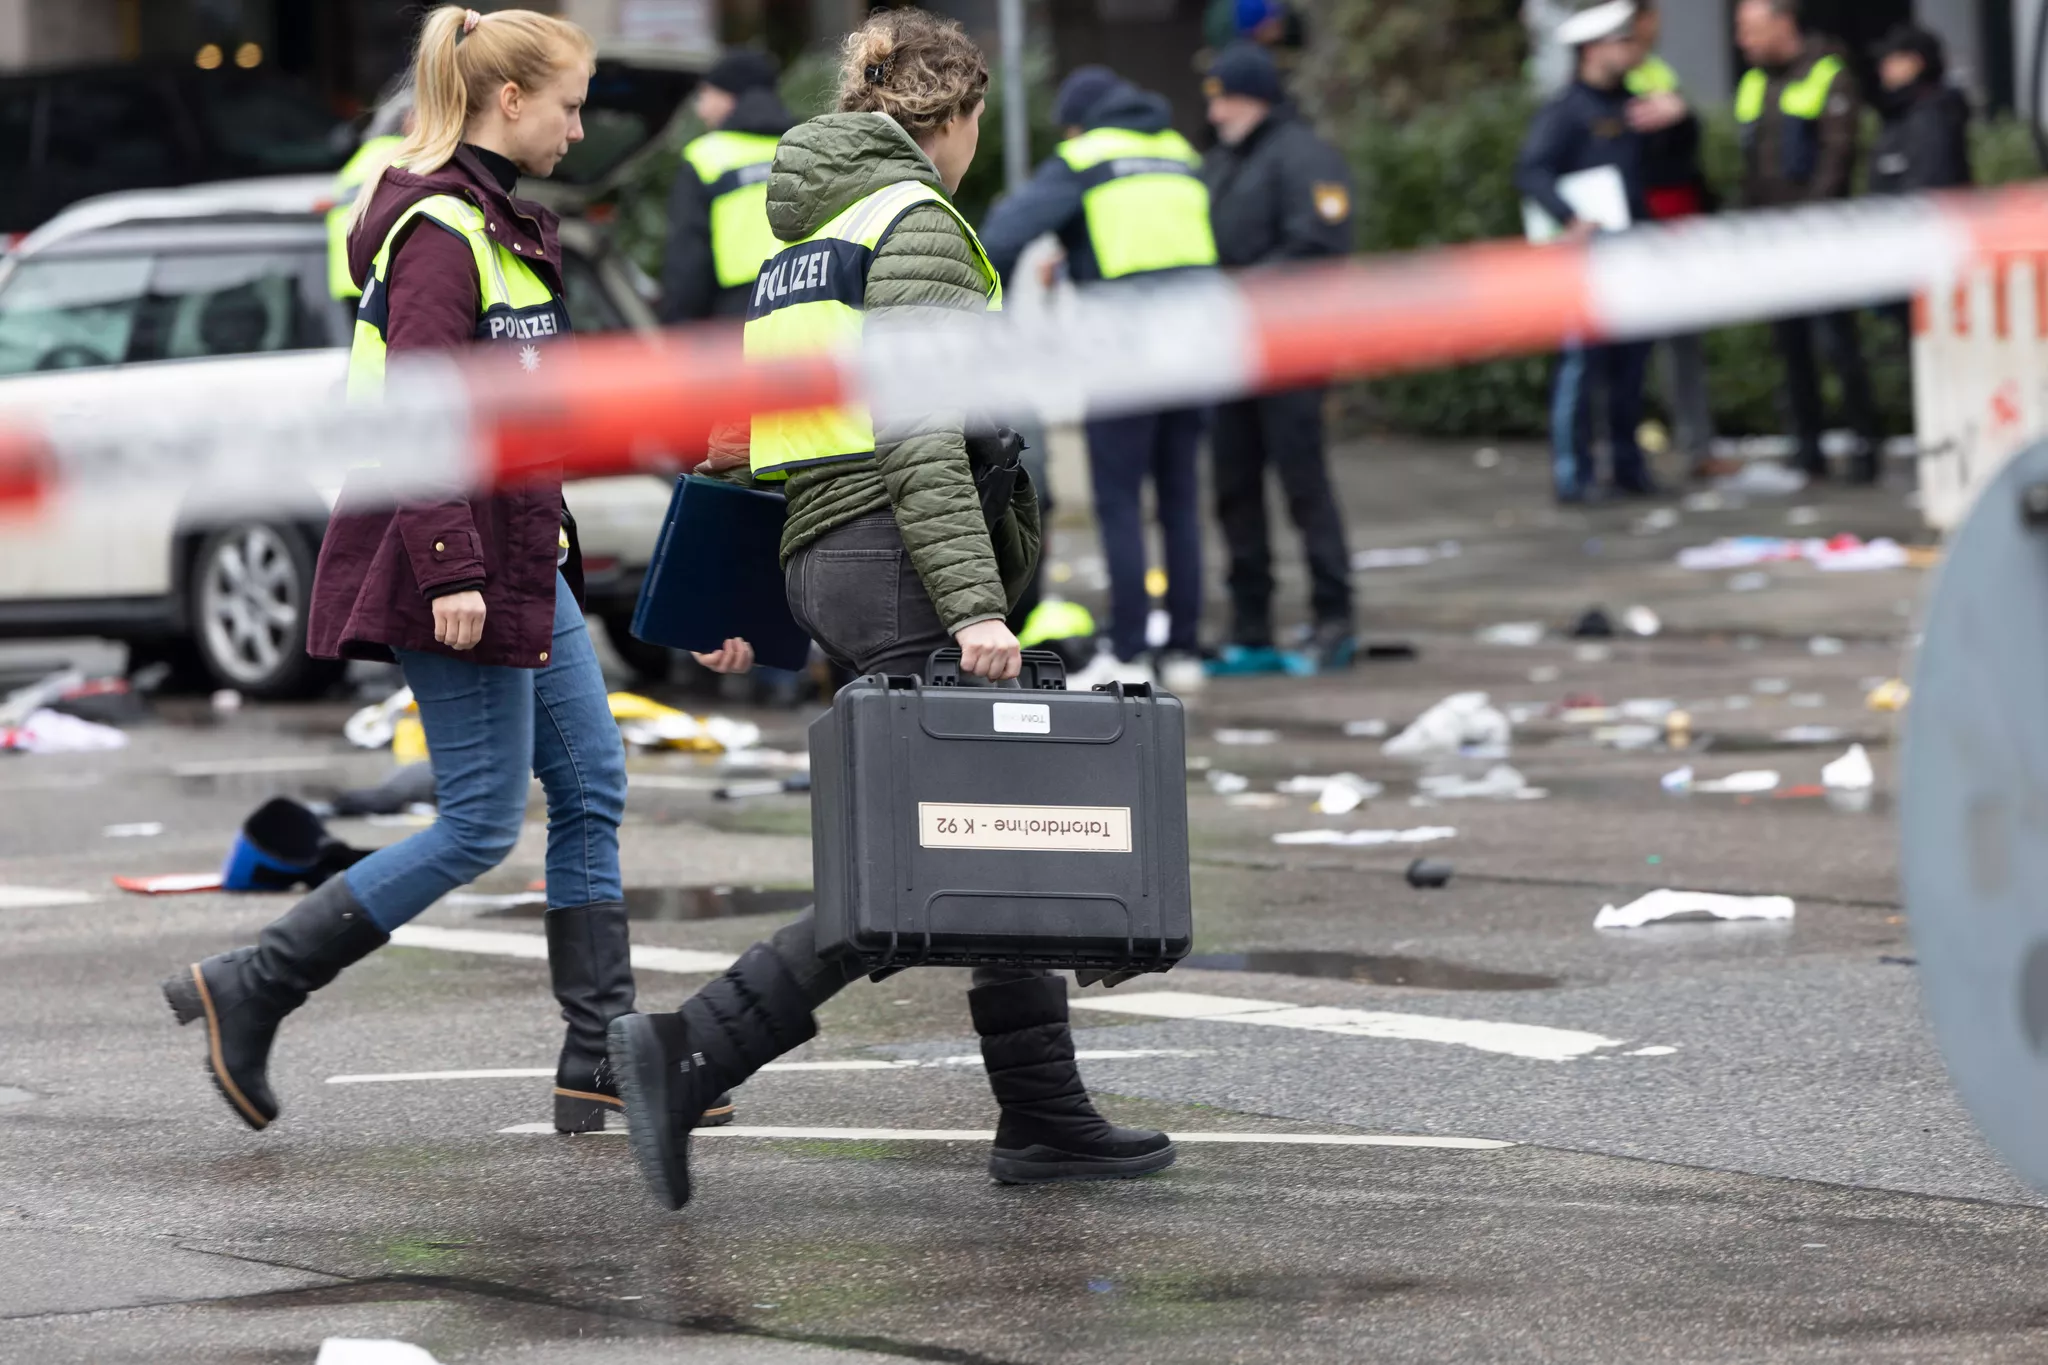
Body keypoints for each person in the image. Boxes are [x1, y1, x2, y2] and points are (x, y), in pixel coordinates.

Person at [608, 8, 1177, 1212]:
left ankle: (1041, 1115)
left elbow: (750, 437)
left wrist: (748, 601)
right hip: (898, 557)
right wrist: (977, 610)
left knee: (980, 836)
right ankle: (696, 1045)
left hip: (827, 559)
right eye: (975, 126)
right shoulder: (914, 221)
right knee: (946, 845)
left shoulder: (803, 241)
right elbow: (922, 431)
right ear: (955, 117)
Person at [159, 6, 753, 1140]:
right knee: (479, 825)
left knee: (593, 789)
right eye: (571, 106)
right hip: (456, 565)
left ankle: (599, 1059)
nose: (581, 130)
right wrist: (448, 570)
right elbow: (420, 414)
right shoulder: (437, 230)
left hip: (530, 562)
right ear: (510, 100)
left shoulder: (509, 226)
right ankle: (253, 982)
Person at [979, 67, 1218, 691]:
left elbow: (1001, 235)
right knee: (1180, 500)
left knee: (1117, 498)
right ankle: (1186, 652)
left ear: (1078, 122)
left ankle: (1132, 651)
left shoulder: (1087, 155)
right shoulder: (1178, 153)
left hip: (1126, 349)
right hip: (1199, 342)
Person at [1201, 42, 1358, 676]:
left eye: (1225, 101)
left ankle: (1333, 618)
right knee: (1233, 489)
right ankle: (1250, 626)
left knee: (1303, 484)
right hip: (1231, 351)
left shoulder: (1305, 157)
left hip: (1291, 349)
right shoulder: (1221, 163)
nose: (1215, 114)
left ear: (1255, 97)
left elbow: (1321, 246)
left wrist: (1239, 290)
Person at [1514, 0, 1656, 502]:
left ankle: (1628, 468)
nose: (1632, 52)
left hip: (1632, 253)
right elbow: (1531, 172)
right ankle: (1573, 476)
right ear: (1593, 50)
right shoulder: (1565, 112)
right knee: (1579, 367)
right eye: (1622, 43)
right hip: (1584, 261)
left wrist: (1678, 125)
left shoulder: (1634, 105)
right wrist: (1571, 217)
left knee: (1630, 371)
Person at [1734, 0, 1878, 483]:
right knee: (1790, 350)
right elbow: (1751, 169)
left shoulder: (1827, 73)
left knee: (1839, 345)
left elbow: (1837, 158)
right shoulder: (1756, 81)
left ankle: (1863, 447)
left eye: (1753, 30)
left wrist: (1807, 226)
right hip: (1774, 243)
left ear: (1783, 22)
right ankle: (1808, 450)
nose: (1744, 42)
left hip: (1822, 240)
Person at [1624, 0, 1722, 479]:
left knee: (1683, 345)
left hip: (1677, 229)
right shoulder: (1616, 86)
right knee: (1631, 352)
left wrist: (1682, 118)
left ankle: (1694, 445)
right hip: (1639, 232)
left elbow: (1684, 148)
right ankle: (1626, 452)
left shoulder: (1656, 73)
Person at [659, 49, 798, 324]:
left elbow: (689, 262)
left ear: (731, 95)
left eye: (706, 94)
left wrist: (678, 328)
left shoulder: (705, 157)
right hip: (803, 308)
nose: (700, 109)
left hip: (736, 319)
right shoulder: (802, 146)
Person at [327, 90, 414, 301]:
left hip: (344, 277)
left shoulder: (362, 156)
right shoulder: (399, 157)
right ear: (407, 119)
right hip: (375, 277)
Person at [1869, 24, 1972, 198]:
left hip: (1918, 221)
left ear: (1916, 63)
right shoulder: (1902, 113)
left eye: (1892, 59)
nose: (1884, 67)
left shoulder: (1931, 116)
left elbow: (1929, 182)